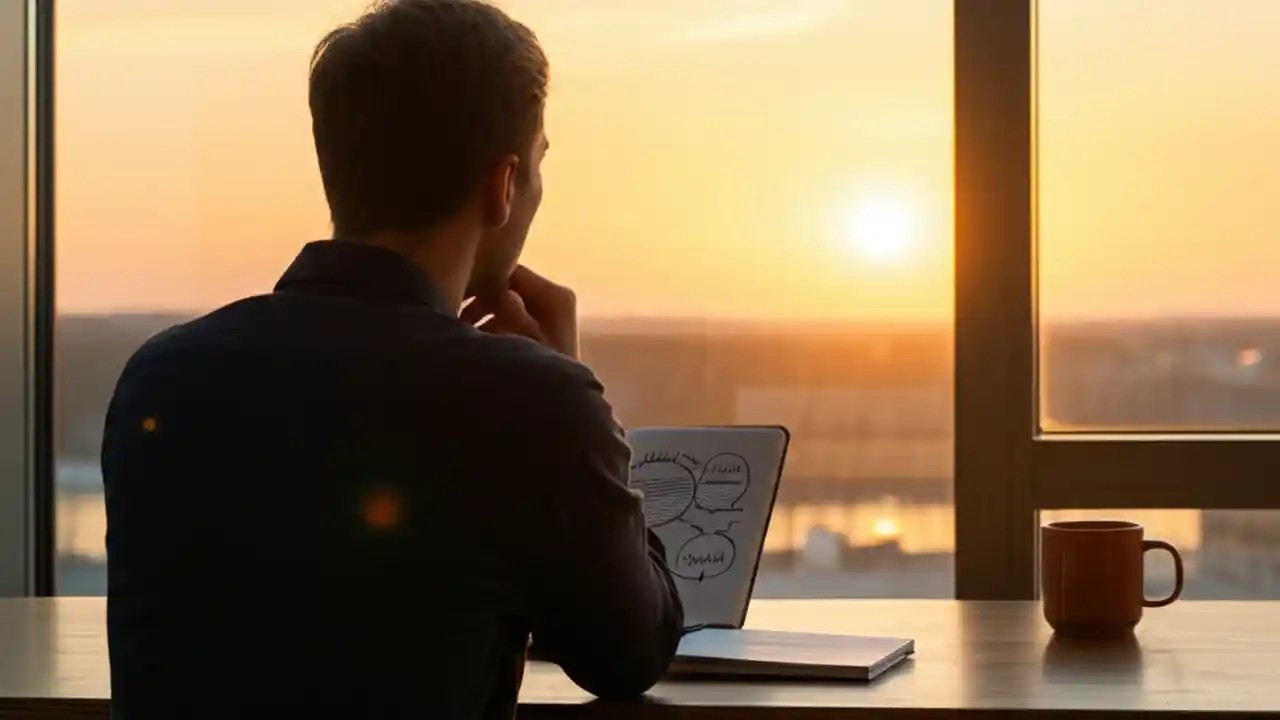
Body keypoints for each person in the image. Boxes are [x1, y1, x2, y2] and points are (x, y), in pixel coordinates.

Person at [100, 1, 684, 717]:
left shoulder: (160, 376)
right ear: (503, 185)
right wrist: (575, 395)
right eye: (536, 167)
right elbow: (628, 651)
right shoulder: (527, 404)